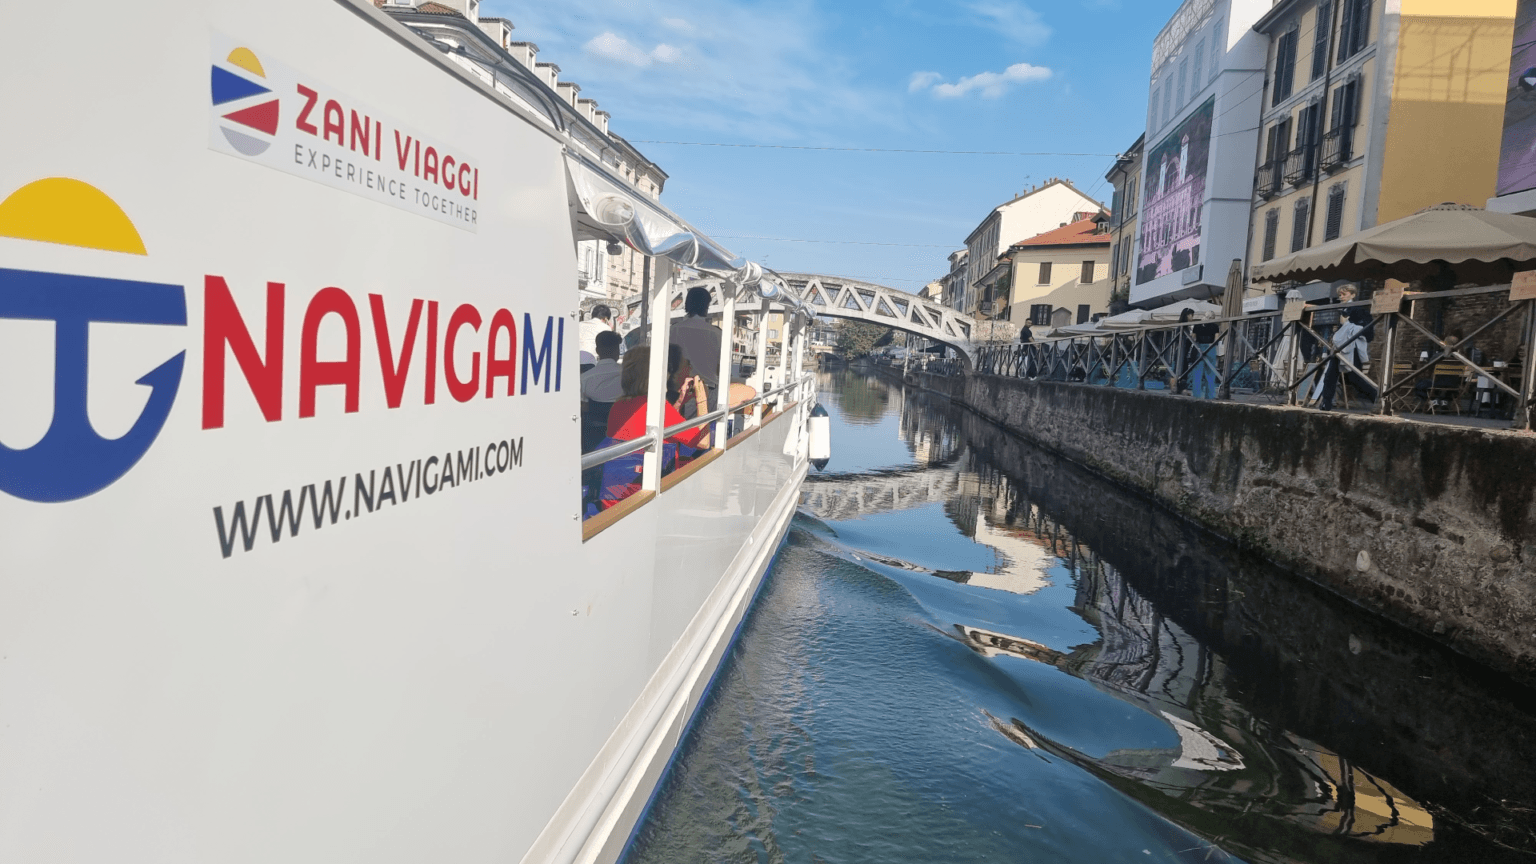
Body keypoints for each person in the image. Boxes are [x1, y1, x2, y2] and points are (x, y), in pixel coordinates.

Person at [607, 345, 710, 451]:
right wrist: (701, 399)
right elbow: (703, 442)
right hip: (661, 461)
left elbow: (665, 425)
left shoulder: (618, 406)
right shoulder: (656, 408)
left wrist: (679, 402)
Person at [1313, 284, 1377, 410]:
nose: (1341, 297)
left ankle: (1377, 398)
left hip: (1352, 348)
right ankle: (1326, 403)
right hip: (1339, 347)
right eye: (1340, 295)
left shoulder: (1359, 309)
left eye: (1344, 294)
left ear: (1353, 295)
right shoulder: (1341, 309)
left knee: (1354, 378)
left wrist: (1348, 325)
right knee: (1330, 375)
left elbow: (1367, 331)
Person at [670, 287, 723, 410]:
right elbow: (720, 366)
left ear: (687, 304)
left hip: (680, 389)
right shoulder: (717, 333)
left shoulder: (674, 330)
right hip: (708, 389)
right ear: (706, 306)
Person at [579, 331, 623, 452]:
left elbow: (583, 407)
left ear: (597, 350)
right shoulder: (628, 374)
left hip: (593, 437)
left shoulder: (585, 378)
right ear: (617, 350)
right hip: (623, 430)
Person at [578, 304, 614, 370]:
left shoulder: (579, 324)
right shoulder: (606, 328)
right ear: (606, 318)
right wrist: (610, 329)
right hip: (592, 363)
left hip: (575, 361)